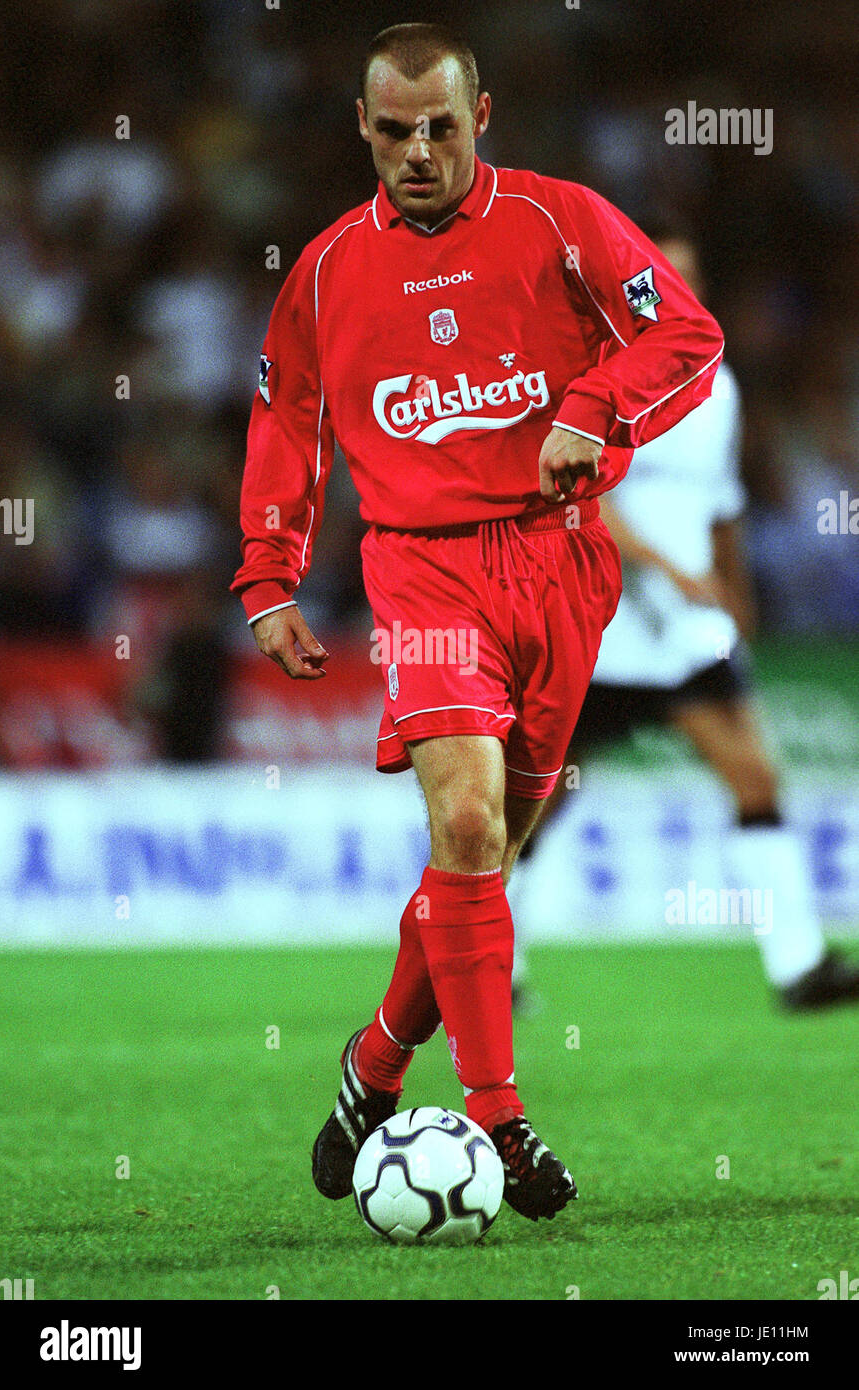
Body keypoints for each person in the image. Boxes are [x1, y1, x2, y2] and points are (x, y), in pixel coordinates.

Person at [231, 24, 723, 1221]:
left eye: (440, 127)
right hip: (422, 570)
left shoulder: (561, 220)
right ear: (362, 127)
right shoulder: (325, 271)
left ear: (480, 117)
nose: (417, 151)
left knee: (483, 855)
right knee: (462, 817)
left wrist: (593, 406)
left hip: (560, 565)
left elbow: (686, 337)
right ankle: (497, 1114)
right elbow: (287, 422)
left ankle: (374, 1060)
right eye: (395, 130)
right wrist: (270, 578)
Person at [509, 231, 859, 1014]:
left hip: (687, 628)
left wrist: (736, 591)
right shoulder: (590, 377)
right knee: (537, 798)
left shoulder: (715, 385)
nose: (671, 291)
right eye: (656, 276)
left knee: (754, 775)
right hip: (602, 625)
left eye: (686, 278)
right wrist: (669, 569)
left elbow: (720, 500)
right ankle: (491, 961)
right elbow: (578, 496)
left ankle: (799, 966)